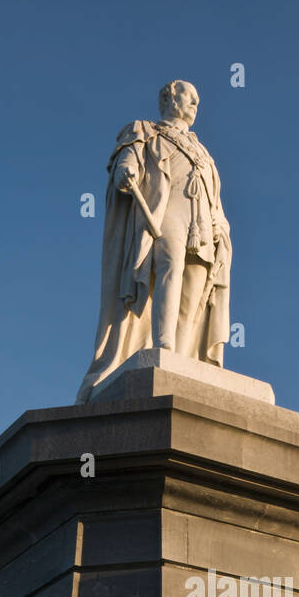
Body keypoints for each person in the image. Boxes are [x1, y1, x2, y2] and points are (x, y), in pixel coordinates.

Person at [75, 80, 232, 402]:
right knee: (170, 267)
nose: (196, 105)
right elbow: (126, 162)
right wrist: (125, 172)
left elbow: (214, 196)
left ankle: (184, 355)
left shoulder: (202, 150)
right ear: (170, 97)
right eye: (191, 98)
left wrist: (219, 224)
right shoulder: (144, 131)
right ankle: (164, 346)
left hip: (202, 222)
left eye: (198, 101)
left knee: (195, 287)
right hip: (165, 212)